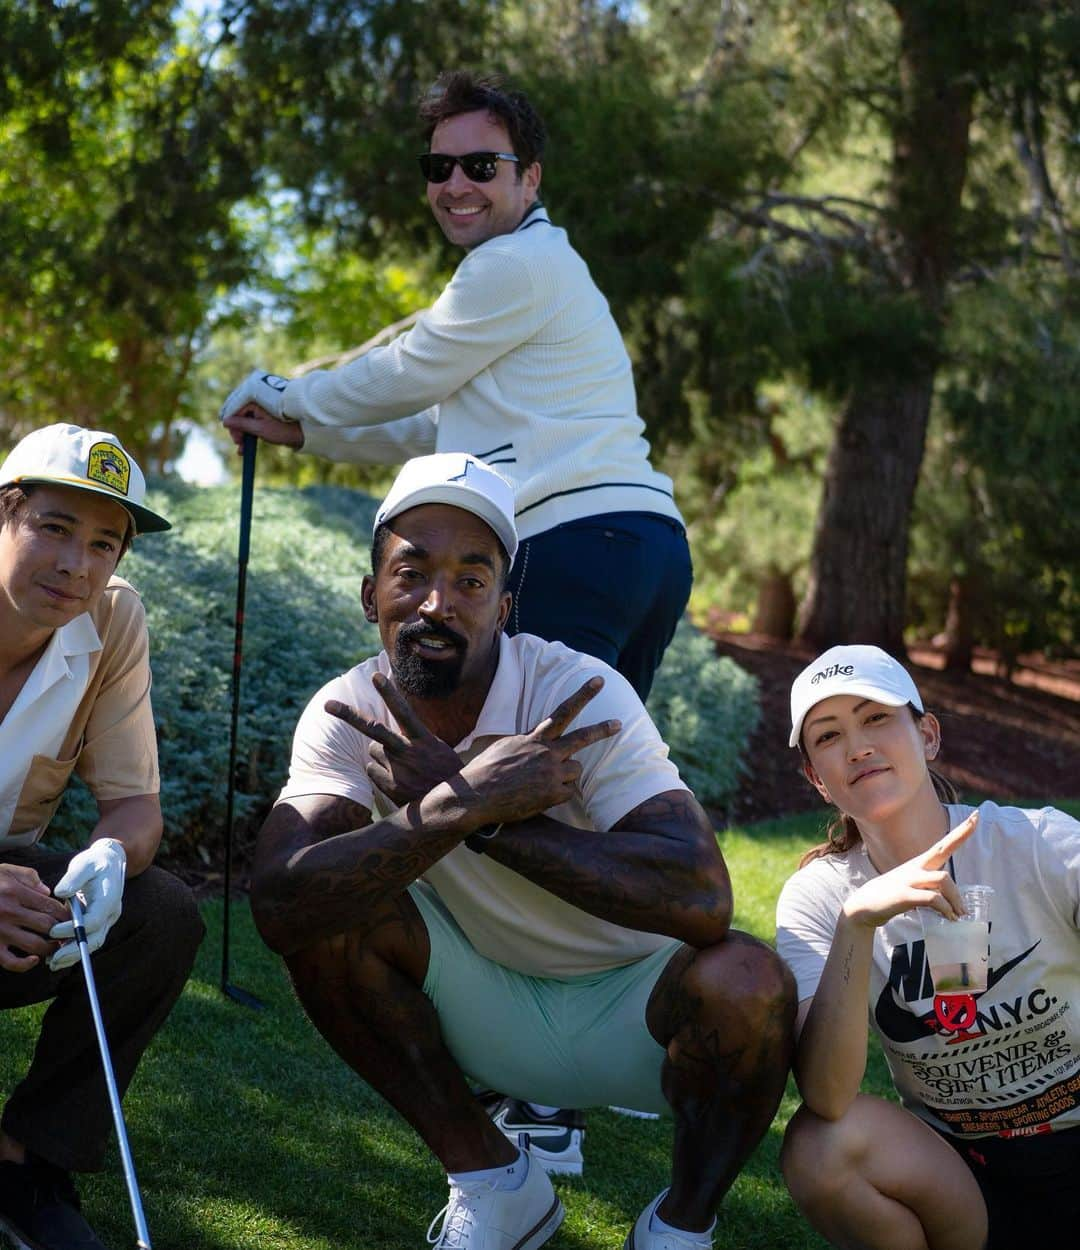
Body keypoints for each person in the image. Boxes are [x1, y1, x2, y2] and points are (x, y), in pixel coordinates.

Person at [251, 451, 794, 1250]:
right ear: (371, 595)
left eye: (471, 580)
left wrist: (496, 822)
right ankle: (495, 1185)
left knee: (749, 983)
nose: (440, 602)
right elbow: (281, 903)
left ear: (504, 605)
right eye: (412, 573)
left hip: (634, 1007)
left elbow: (704, 897)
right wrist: (457, 807)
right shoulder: (349, 710)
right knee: (332, 919)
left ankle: (680, 1227)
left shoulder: (576, 691)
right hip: (482, 1000)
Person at [219, 69, 692, 708]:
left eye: (480, 164)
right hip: (643, 547)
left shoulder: (512, 264)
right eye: (439, 167)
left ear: (530, 177)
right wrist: (304, 432)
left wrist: (282, 393)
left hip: (569, 544)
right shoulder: (543, 263)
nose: (456, 184)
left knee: (524, 772)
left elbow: (406, 373)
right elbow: (435, 427)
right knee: (595, 778)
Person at [775, 644, 1080, 1250]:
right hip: (962, 1177)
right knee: (818, 1146)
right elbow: (828, 1096)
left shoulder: (1040, 845)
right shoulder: (819, 898)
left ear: (928, 734)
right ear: (817, 778)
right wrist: (857, 925)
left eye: (877, 718)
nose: (858, 746)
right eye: (829, 735)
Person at [0, 424, 205, 1250]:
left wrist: (114, 857)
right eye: (54, 528)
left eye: (104, 544)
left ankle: (26, 1164)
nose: (77, 566)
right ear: (5, 513)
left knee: (160, 913)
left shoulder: (114, 623)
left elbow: (134, 804)